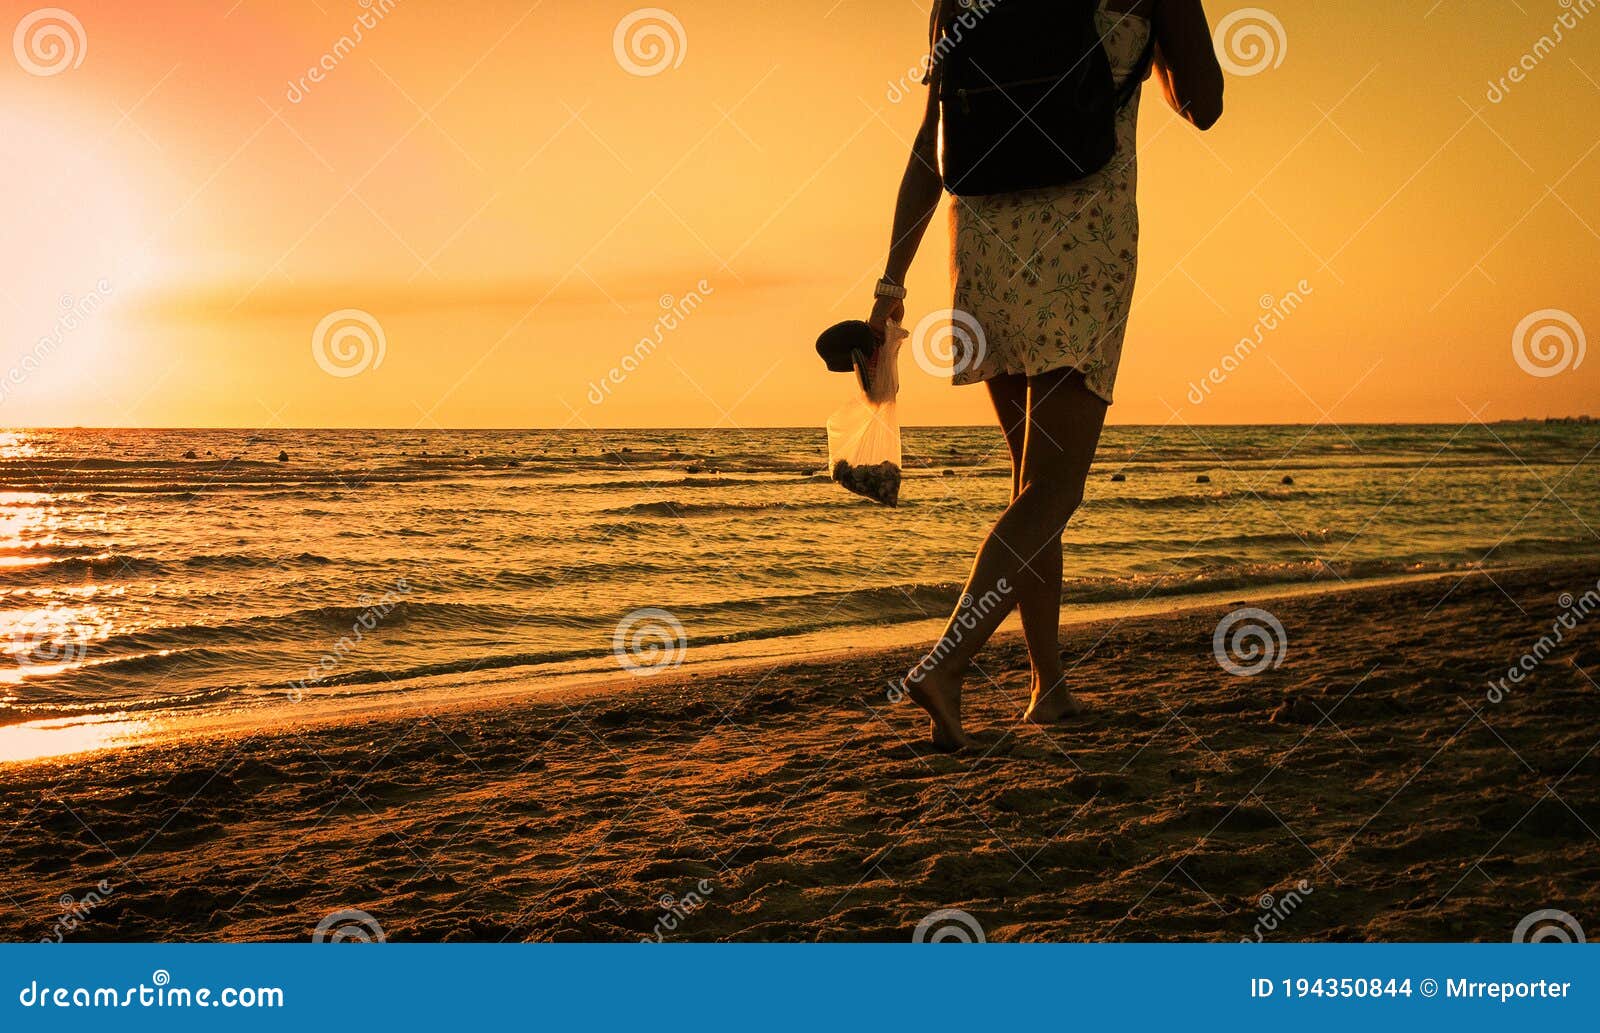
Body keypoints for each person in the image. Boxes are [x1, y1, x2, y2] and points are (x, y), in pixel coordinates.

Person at [868, 0, 1225, 750]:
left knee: (1032, 485)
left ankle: (1049, 687)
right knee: (1055, 489)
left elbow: (931, 141)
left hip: (986, 239)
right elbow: (1204, 103)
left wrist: (891, 286)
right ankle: (950, 663)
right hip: (1084, 237)